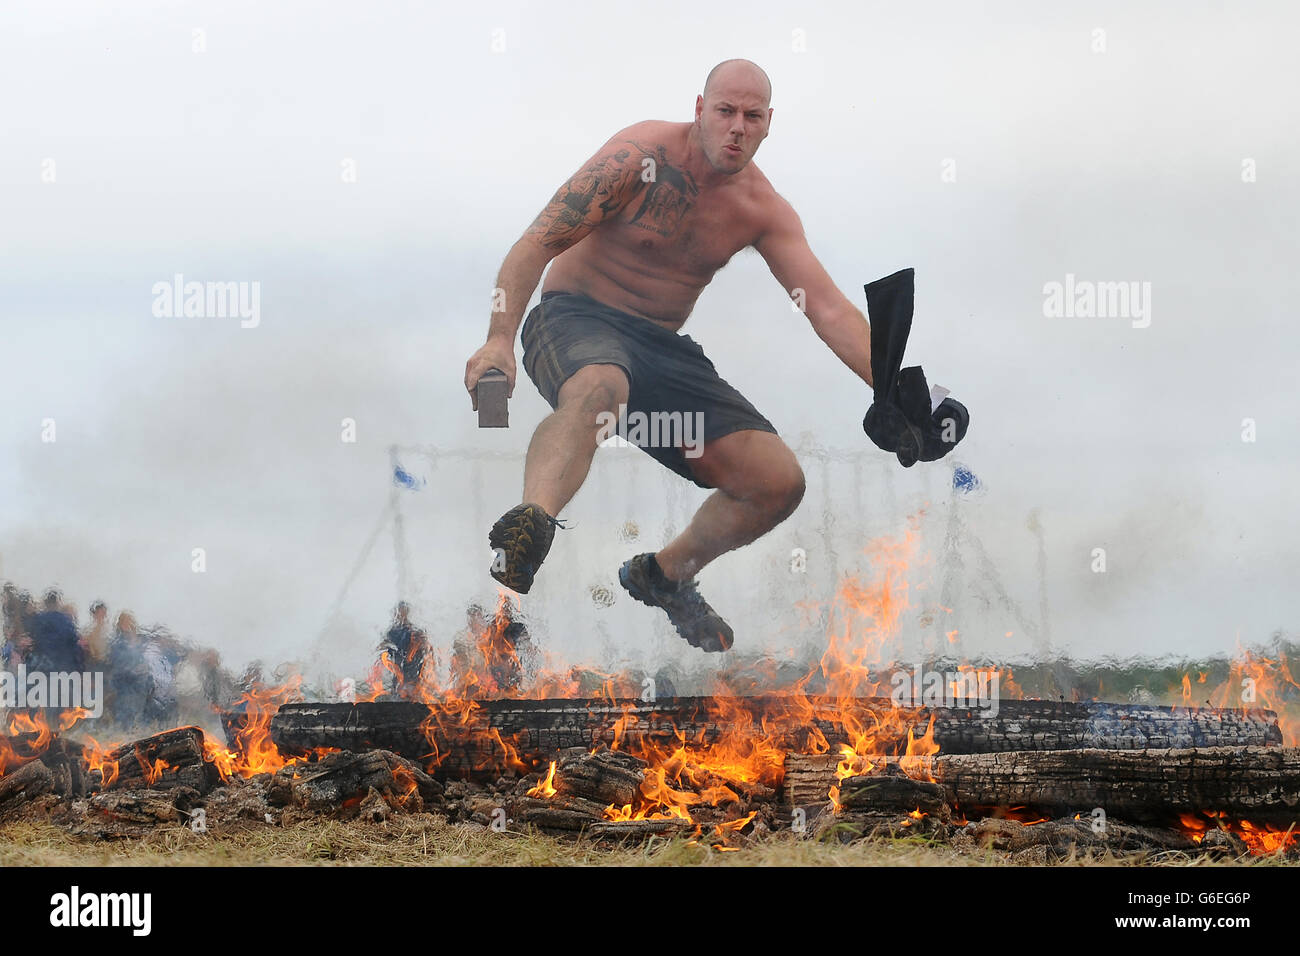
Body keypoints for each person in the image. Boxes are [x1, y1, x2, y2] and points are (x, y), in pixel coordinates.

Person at [465, 59, 874, 652]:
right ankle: (530, 525)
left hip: (661, 349)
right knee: (603, 388)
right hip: (574, 318)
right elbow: (539, 241)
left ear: (768, 125)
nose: (736, 127)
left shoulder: (764, 210)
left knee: (777, 481)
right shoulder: (636, 157)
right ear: (701, 108)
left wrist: (897, 388)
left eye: (751, 116)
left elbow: (829, 309)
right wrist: (499, 335)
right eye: (725, 111)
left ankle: (664, 576)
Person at [377, 602, 431, 699]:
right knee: (397, 700)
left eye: (403, 612)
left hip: (413, 674)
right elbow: (384, 650)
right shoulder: (392, 632)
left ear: (407, 613)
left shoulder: (414, 631)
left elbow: (424, 650)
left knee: (413, 700)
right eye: (399, 612)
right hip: (398, 673)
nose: (400, 615)